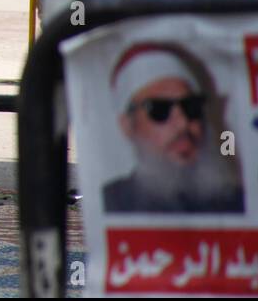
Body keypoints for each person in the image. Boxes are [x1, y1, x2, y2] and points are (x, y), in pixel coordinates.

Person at [103, 42, 244, 214]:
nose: (183, 123)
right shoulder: (110, 203)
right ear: (127, 126)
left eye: (191, 107)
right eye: (159, 110)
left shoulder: (236, 202)